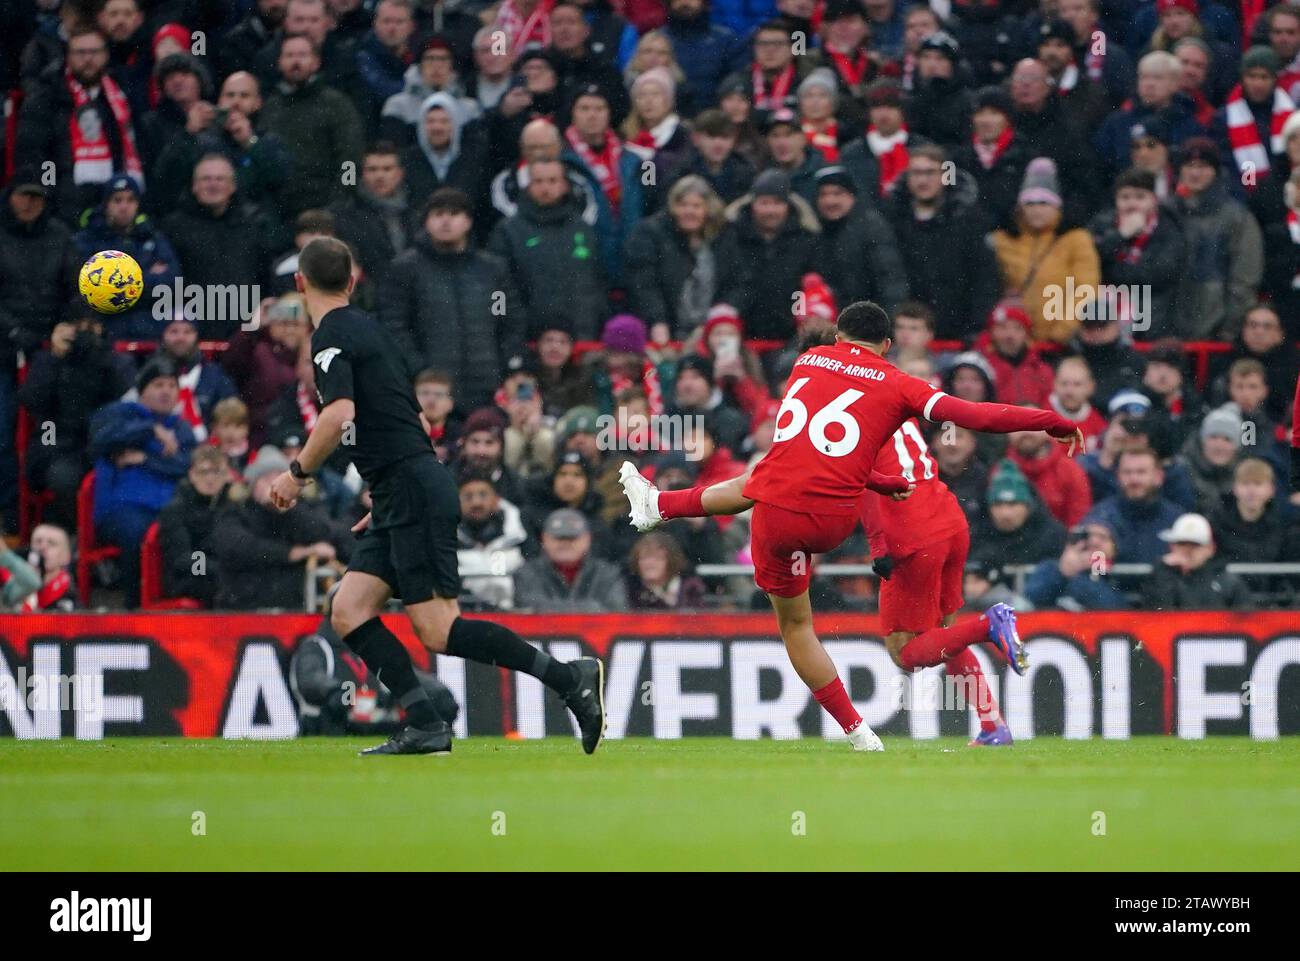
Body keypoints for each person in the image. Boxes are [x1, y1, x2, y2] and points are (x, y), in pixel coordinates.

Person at [619, 301, 1083, 752]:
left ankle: (983, 631)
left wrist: (880, 542)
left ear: (838, 338)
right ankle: (991, 722)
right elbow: (978, 415)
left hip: (894, 527)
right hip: (943, 515)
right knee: (943, 627)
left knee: (896, 646)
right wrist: (1051, 421)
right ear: (886, 344)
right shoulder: (900, 389)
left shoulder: (809, 362)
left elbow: (827, 451)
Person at [267, 237, 605, 756]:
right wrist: (387, 494)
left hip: (411, 489)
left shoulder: (331, 335)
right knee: (349, 609)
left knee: (440, 629)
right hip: (404, 489)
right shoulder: (370, 330)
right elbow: (418, 420)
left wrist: (296, 474)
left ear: (299, 284)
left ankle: (569, 679)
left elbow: (338, 416)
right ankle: (424, 724)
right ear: (352, 282)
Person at [379, 187, 525, 411]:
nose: (445, 221)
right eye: (438, 214)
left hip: (487, 386)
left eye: (454, 214)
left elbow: (510, 320)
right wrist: (420, 370)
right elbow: (394, 326)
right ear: (426, 222)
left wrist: (504, 366)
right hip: (430, 392)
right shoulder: (405, 268)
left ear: (468, 221)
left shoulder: (492, 269)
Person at [88, 357, 197, 608]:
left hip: (169, 508)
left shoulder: (182, 430)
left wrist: (145, 459)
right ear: (143, 389)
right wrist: (150, 429)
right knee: (137, 533)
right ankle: (134, 607)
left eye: (171, 386)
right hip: (123, 508)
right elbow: (101, 442)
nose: (166, 391)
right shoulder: (119, 415)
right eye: (158, 385)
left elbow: (187, 466)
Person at [156, 446, 232, 606]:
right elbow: (182, 559)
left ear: (226, 476)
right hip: (187, 577)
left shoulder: (232, 505)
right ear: (192, 475)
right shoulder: (176, 509)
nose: (210, 479)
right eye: (203, 472)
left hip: (221, 570)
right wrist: (219, 568)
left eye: (217, 472)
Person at [512, 508, 628, 611]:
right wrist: (592, 608)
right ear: (544, 538)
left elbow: (616, 611)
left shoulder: (608, 574)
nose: (565, 544)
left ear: (588, 539)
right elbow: (527, 607)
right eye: (559, 538)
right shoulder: (526, 573)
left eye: (572, 538)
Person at [1140, 512, 1253, 611]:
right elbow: (1156, 619)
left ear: (1211, 548)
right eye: (1181, 543)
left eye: (1195, 545)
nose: (1187, 550)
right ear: (1172, 546)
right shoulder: (1159, 577)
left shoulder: (1230, 583)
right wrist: (1163, 573)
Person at [1024, 521, 1129, 611]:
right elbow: (1030, 600)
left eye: (1103, 537)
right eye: (1088, 535)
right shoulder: (1051, 568)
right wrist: (1062, 572)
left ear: (1114, 547)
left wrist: (1085, 577)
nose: (1093, 542)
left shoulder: (1123, 573)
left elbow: (1115, 609)